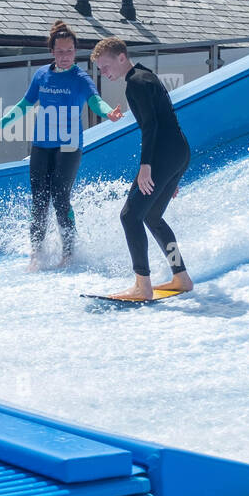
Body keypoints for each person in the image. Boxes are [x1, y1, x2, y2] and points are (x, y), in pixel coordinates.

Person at [0, 21, 123, 269]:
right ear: (52, 51)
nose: (65, 56)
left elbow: (95, 101)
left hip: (69, 145)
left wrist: (109, 112)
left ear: (75, 51)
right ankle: (36, 254)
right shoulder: (42, 75)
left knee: (60, 198)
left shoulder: (80, 78)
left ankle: (68, 254)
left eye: (69, 51)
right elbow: (24, 105)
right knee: (39, 200)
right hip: (41, 145)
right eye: (60, 51)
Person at [91, 37, 193, 301]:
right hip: (178, 152)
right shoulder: (146, 75)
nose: (104, 73)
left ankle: (142, 285)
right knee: (152, 217)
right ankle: (180, 277)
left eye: (105, 66)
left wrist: (146, 166)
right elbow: (165, 119)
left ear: (121, 57)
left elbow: (151, 126)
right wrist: (173, 172)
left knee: (130, 216)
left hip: (163, 155)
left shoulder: (135, 83)